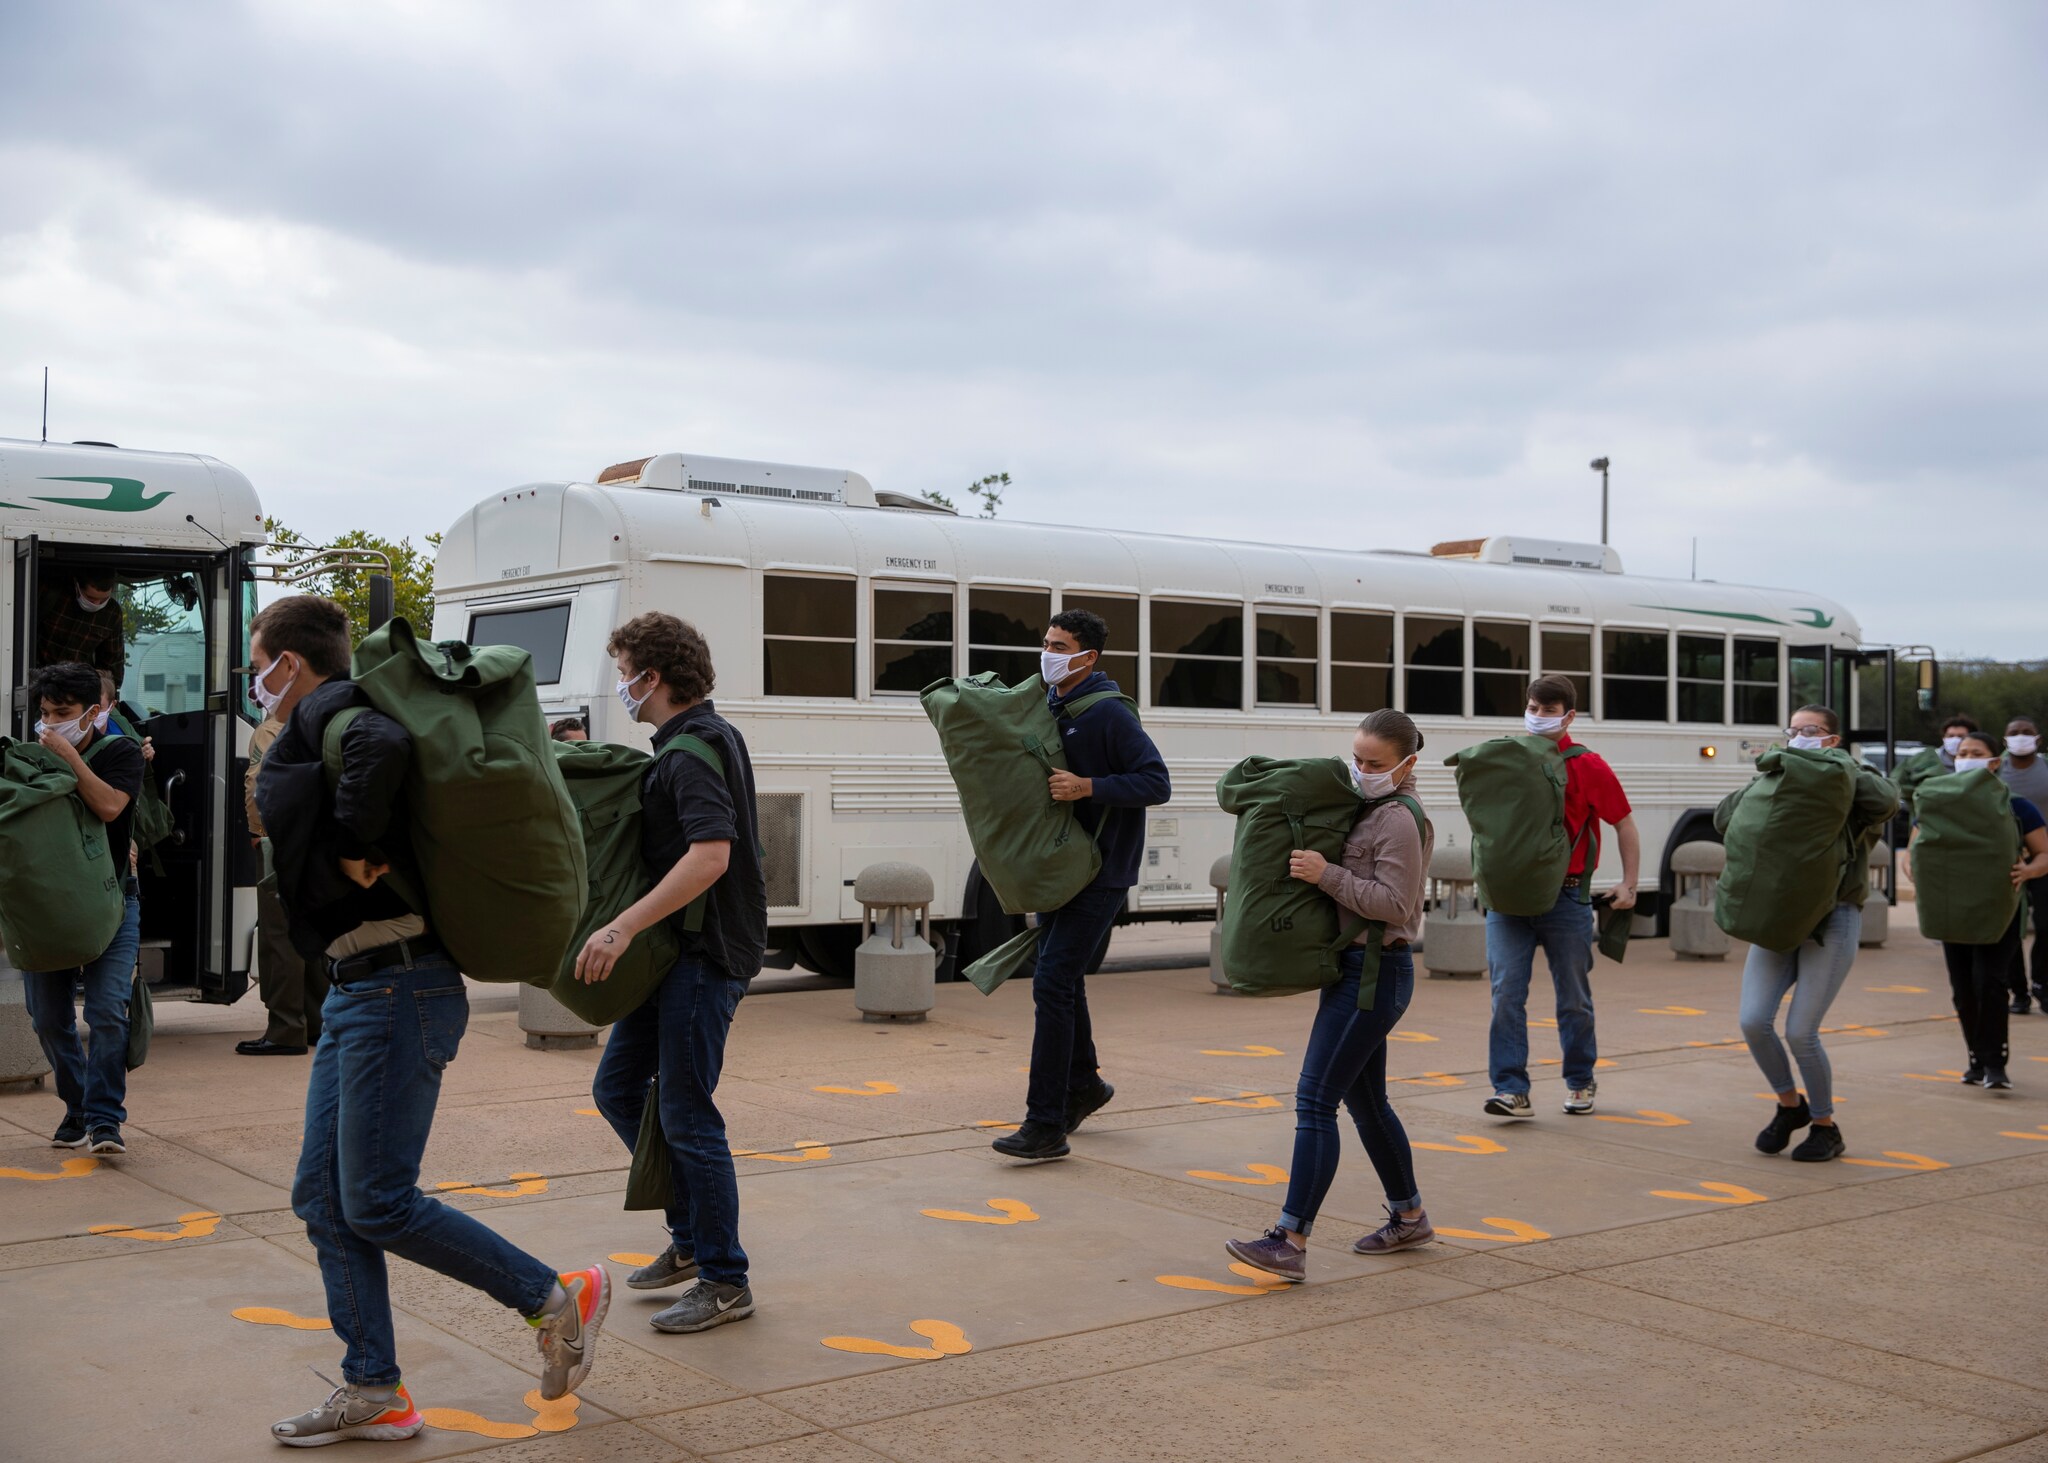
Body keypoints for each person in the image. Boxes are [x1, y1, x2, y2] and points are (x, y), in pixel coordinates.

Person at [248, 595, 608, 1445]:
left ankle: (552, 1296)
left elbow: (385, 744)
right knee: (323, 1199)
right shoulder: (324, 719)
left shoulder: (338, 709)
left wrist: (348, 837)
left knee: (374, 1199)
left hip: (397, 990)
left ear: (289, 662)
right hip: (363, 988)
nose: (253, 680)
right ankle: (373, 1385)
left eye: (257, 661)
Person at [584, 613, 769, 1334]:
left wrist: (621, 924)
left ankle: (725, 1277)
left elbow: (711, 853)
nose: (621, 684)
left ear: (651, 678)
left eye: (625, 668)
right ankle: (691, 1240)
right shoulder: (697, 740)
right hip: (680, 954)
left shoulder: (693, 750)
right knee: (619, 1087)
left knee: (689, 1115)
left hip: (704, 954)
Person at [1225, 710, 1436, 1280]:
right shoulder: (1368, 806)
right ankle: (1409, 1215)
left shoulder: (1399, 820)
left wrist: (1326, 875)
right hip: (1354, 971)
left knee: (1315, 1099)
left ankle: (1289, 1239)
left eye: (1376, 763)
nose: (1362, 771)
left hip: (1375, 975)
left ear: (1408, 764)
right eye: (1357, 759)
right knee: (1365, 1102)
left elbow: (1398, 906)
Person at [991, 608, 1171, 1161]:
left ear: (1087, 657)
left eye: (1059, 644)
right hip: (1059, 867)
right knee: (1064, 983)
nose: (1047, 652)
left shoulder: (1109, 713)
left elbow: (1155, 782)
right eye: (1045, 641)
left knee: (1051, 983)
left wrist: (1088, 786)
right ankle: (1085, 1086)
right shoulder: (1051, 703)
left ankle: (1045, 1123)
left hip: (1101, 871)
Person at [1719, 705, 1898, 1162]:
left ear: (1832, 739)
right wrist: (1774, 775)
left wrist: (1839, 767)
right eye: (1793, 731)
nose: (1799, 738)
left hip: (1833, 915)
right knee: (1753, 1021)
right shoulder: (1778, 775)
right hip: (1778, 914)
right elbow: (1726, 819)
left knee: (1801, 1031)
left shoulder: (1848, 776)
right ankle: (1789, 1106)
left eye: (1811, 731)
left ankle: (1825, 1125)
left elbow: (1888, 803)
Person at [1484, 675, 1639, 1119]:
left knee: (1572, 997)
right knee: (1505, 994)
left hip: (1566, 897)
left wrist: (1629, 883)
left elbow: (1623, 822)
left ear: (1568, 715)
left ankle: (1579, 1080)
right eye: (1532, 707)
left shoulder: (1587, 765)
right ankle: (1511, 1089)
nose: (1537, 717)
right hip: (1508, 898)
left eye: (1548, 710)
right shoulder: (1509, 757)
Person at [19, 662, 144, 1157]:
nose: (50, 724)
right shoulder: (31, 754)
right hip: (46, 905)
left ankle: (105, 1119)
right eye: (45, 714)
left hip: (113, 900)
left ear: (94, 712)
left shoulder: (121, 752)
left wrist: (69, 755)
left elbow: (110, 807)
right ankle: (77, 1105)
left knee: (108, 1012)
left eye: (63, 714)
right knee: (47, 1017)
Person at [1932, 731, 2048, 1090]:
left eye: (1976, 753)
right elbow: (1919, 847)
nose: (1966, 758)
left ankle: (1995, 1063)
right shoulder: (1939, 802)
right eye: (1962, 753)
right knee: (1963, 988)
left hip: (2000, 909)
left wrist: (2028, 871)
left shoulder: (2016, 806)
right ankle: (1975, 1059)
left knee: (1990, 982)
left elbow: (2044, 854)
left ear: (1994, 762)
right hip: (1954, 911)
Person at [236, 710, 327, 1055]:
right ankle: (316, 1023)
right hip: (318, 840)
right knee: (313, 933)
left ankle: (285, 1028)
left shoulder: (270, 729)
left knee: (280, 936)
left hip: (281, 840)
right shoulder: (323, 720)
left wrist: (258, 832)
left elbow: (258, 783)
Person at [1998, 716, 2048, 1014]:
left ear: (2038, 739)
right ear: (2004, 741)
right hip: (2008, 862)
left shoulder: (2045, 771)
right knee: (2010, 928)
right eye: (2014, 732)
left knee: (2046, 925)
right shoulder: (1994, 772)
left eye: (2026, 732)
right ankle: (2018, 991)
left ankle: (2043, 983)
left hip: (2044, 858)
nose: (2020, 737)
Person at [35, 569, 126, 682]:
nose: (97, 604)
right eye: (90, 598)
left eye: (104, 599)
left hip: (77, 686)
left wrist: (107, 690)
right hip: (39, 679)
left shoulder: (112, 612)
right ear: (77, 585)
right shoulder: (51, 594)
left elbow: (112, 662)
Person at [1895, 713, 1978, 822]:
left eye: (1960, 736)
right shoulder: (1925, 760)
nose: (1955, 740)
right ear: (1944, 738)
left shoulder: (1979, 762)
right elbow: (1898, 783)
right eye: (1951, 736)